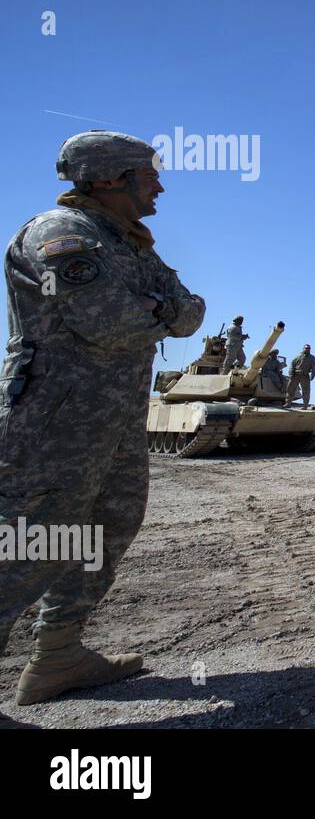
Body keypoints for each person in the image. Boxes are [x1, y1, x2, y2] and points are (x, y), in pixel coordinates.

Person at [0, 130, 205, 706]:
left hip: (115, 424)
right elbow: (110, 319)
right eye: (149, 176)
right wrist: (158, 309)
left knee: (107, 530)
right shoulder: (60, 236)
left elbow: (192, 311)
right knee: (31, 545)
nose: (159, 184)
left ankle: (58, 653)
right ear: (112, 178)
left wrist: (158, 309)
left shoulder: (134, 245)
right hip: (55, 422)